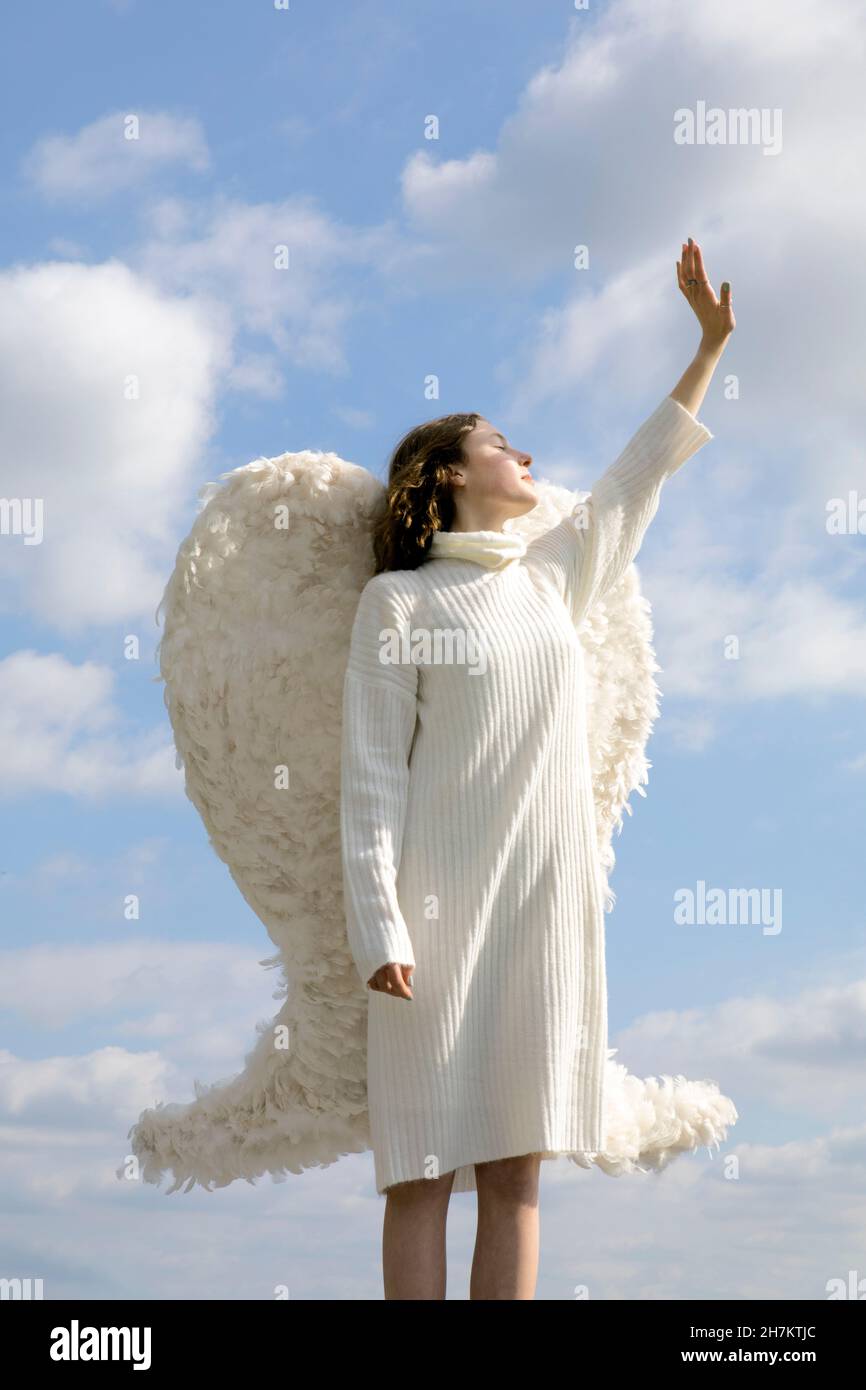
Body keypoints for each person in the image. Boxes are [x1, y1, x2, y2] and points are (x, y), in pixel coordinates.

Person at [339, 239, 735, 1300]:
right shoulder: (400, 604)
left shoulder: (552, 578)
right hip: (429, 917)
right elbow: (371, 775)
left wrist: (707, 346)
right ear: (449, 475)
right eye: (500, 444)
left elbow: (636, 473)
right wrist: (379, 926)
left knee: (515, 1173)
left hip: (545, 911)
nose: (525, 457)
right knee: (421, 1169)